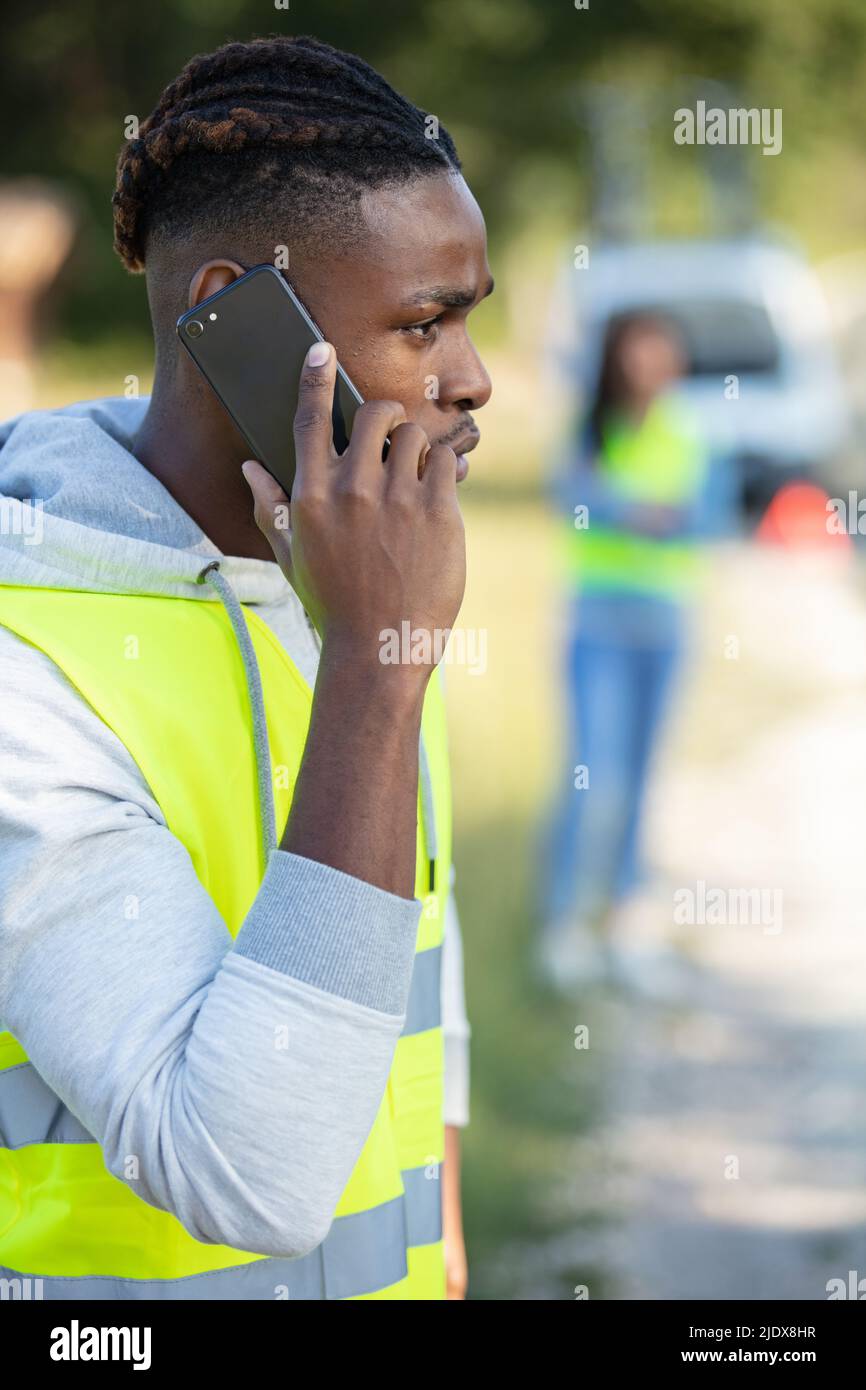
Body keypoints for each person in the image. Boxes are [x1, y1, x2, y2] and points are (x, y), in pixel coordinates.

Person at [0, 35, 492, 1301]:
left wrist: (439, 1211)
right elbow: (249, 1177)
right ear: (233, 310)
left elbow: (412, 940)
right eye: (422, 322)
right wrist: (381, 675)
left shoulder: (343, 575)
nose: (472, 379)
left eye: (467, 319)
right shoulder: (27, 667)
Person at [538, 310, 709, 995]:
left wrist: (624, 507)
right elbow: (576, 498)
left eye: (661, 350)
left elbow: (698, 518)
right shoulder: (589, 429)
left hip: (665, 626)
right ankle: (565, 924)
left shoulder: (688, 432)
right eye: (637, 351)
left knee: (641, 779)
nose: (650, 364)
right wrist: (644, 513)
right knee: (592, 776)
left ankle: (627, 924)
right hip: (599, 625)